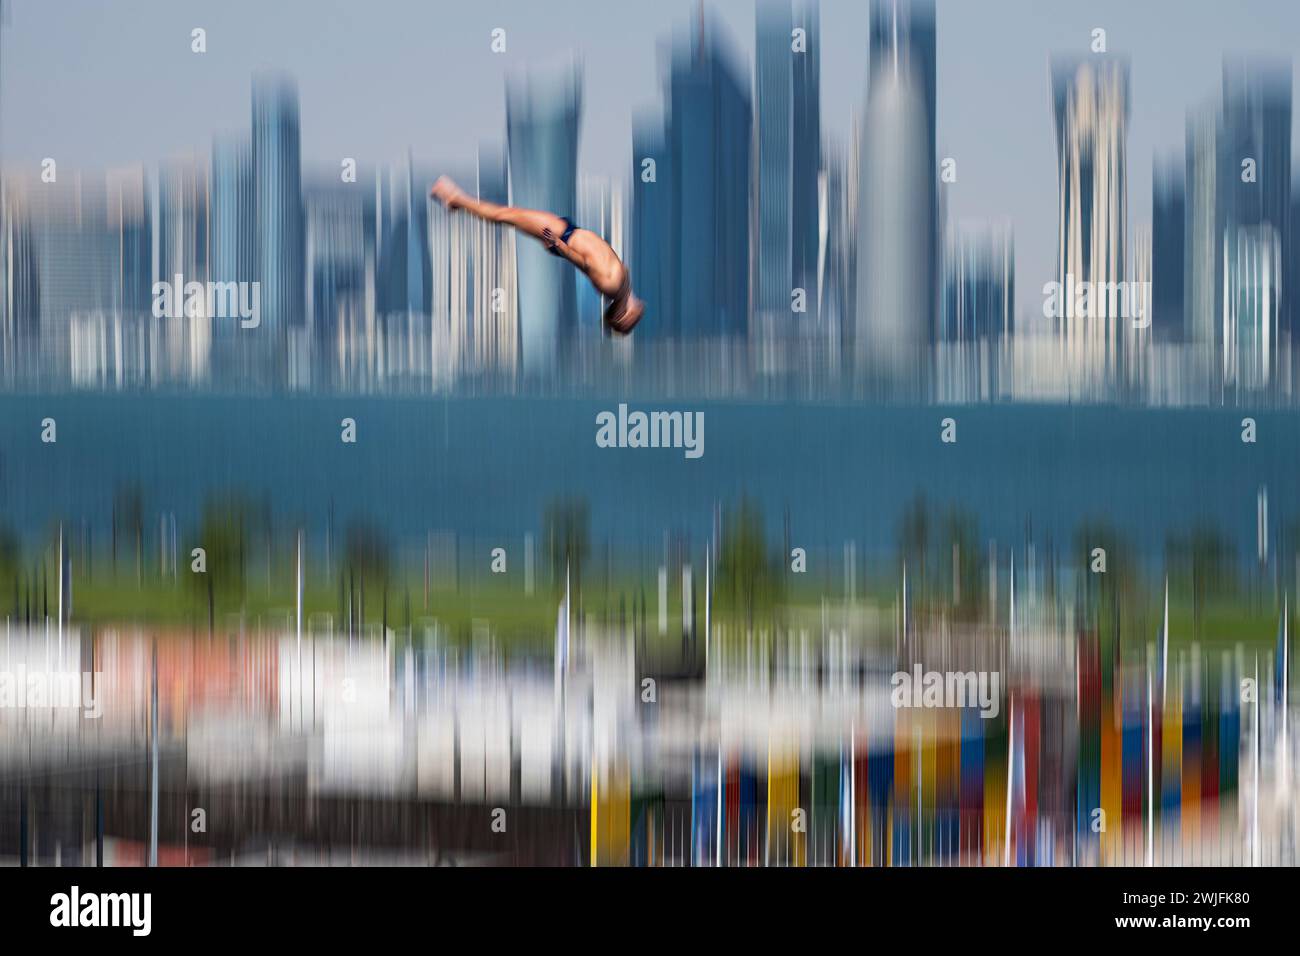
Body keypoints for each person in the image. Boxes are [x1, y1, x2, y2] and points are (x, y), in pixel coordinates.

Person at [431, 176, 643, 335]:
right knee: (507, 215)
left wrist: (560, 246)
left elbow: (585, 263)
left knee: (505, 215)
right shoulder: (623, 287)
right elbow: (625, 295)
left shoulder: (612, 287)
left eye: (630, 322)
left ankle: (455, 199)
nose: (636, 318)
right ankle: (457, 201)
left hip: (562, 236)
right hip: (567, 233)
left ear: (622, 314)